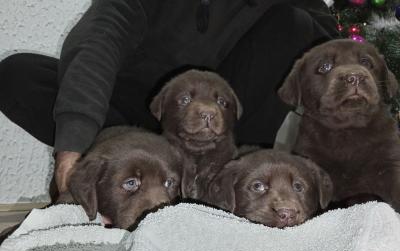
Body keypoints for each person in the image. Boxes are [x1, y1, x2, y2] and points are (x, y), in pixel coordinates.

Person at [0, 0, 338, 195]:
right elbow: (99, 38)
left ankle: (230, 179)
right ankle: (129, 165)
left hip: (222, 128)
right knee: (16, 74)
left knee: (294, 24)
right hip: (134, 118)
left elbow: (332, 51)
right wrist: (73, 146)